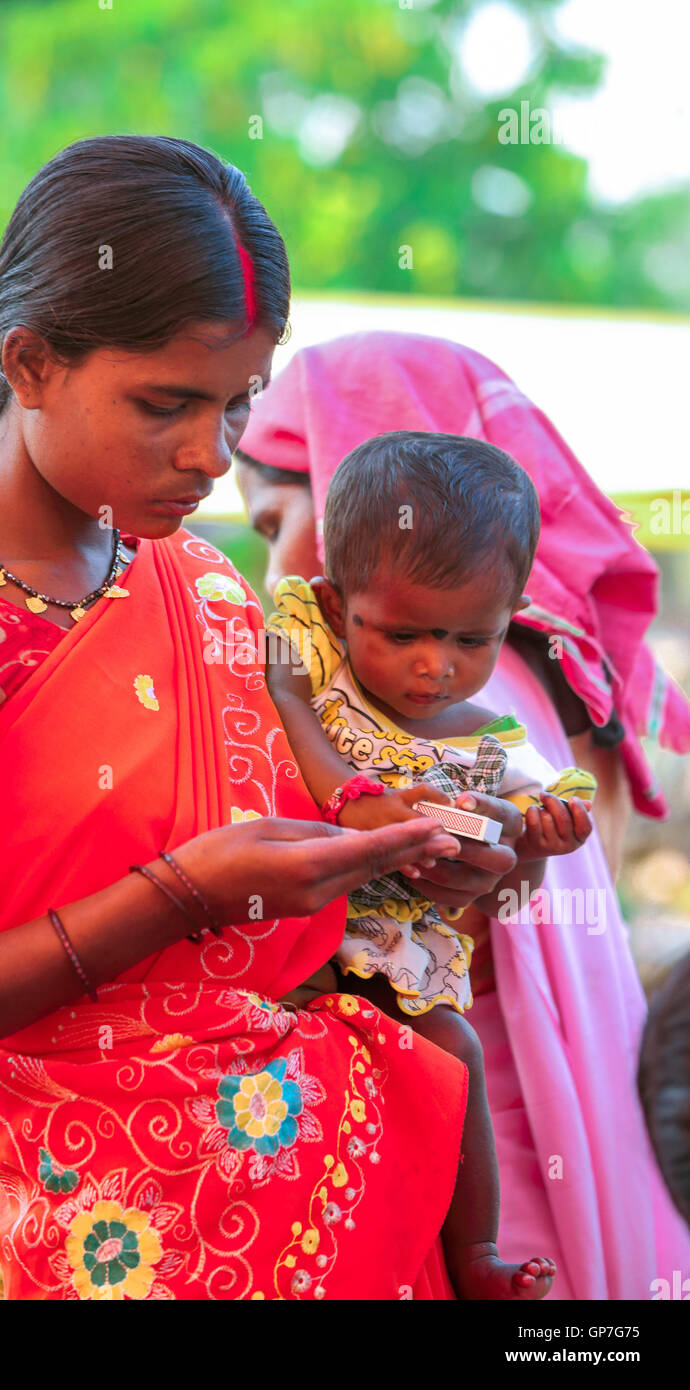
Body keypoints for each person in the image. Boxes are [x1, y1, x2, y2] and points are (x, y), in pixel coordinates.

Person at [0, 136, 532, 1301]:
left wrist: (402, 848)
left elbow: (283, 873)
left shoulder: (198, 576)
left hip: (333, 1185)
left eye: (239, 402)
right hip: (117, 1238)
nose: (212, 454)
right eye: (166, 403)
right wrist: (178, 897)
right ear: (32, 361)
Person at [236, 329, 690, 1299]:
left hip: (461, 1107)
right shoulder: (537, 672)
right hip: (546, 1110)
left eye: (278, 520)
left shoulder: (461, 692)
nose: (274, 561)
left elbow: (504, 885)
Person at [266, 429, 596, 1299]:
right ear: (338, 606)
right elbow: (276, 696)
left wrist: (531, 843)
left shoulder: (489, 741)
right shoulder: (309, 657)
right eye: (405, 632)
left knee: (454, 1053)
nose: (434, 665)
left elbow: (509, 881)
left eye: (469, 639)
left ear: (510, 618)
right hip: (278, 943)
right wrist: (352, 798)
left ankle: (475, 1251)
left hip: (395, 957)